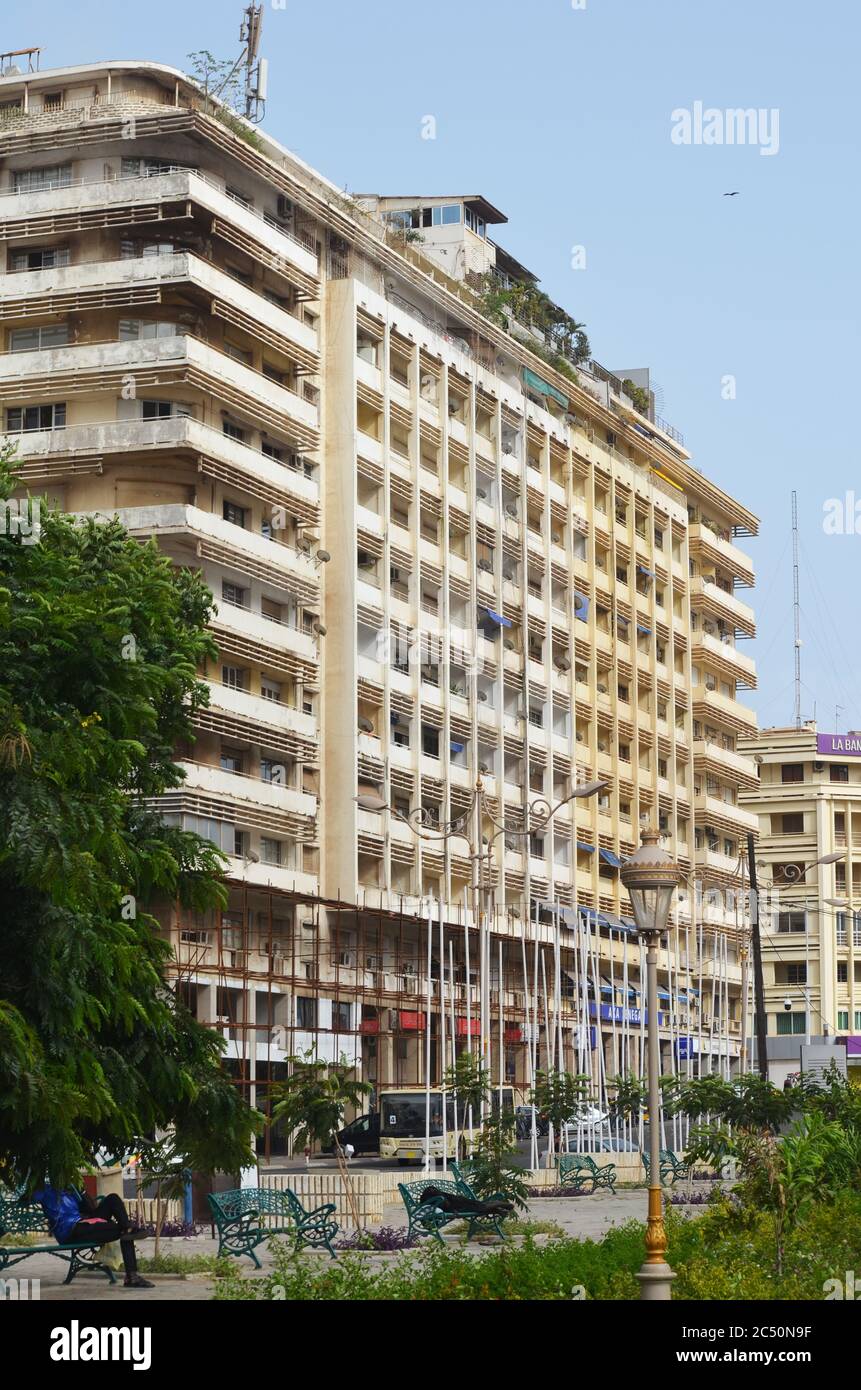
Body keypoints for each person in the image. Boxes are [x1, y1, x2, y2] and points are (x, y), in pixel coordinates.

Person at [32, 1183, 153, 1289]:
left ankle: (127, 1227)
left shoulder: (70, 1189)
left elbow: (91, 1210)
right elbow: (27, 1194)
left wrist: (81, 1191)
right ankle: (132, 1275)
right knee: (124, 1231)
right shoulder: (45, 1190)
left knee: (113, 1198)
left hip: (85, 1223)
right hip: (71, 1232)